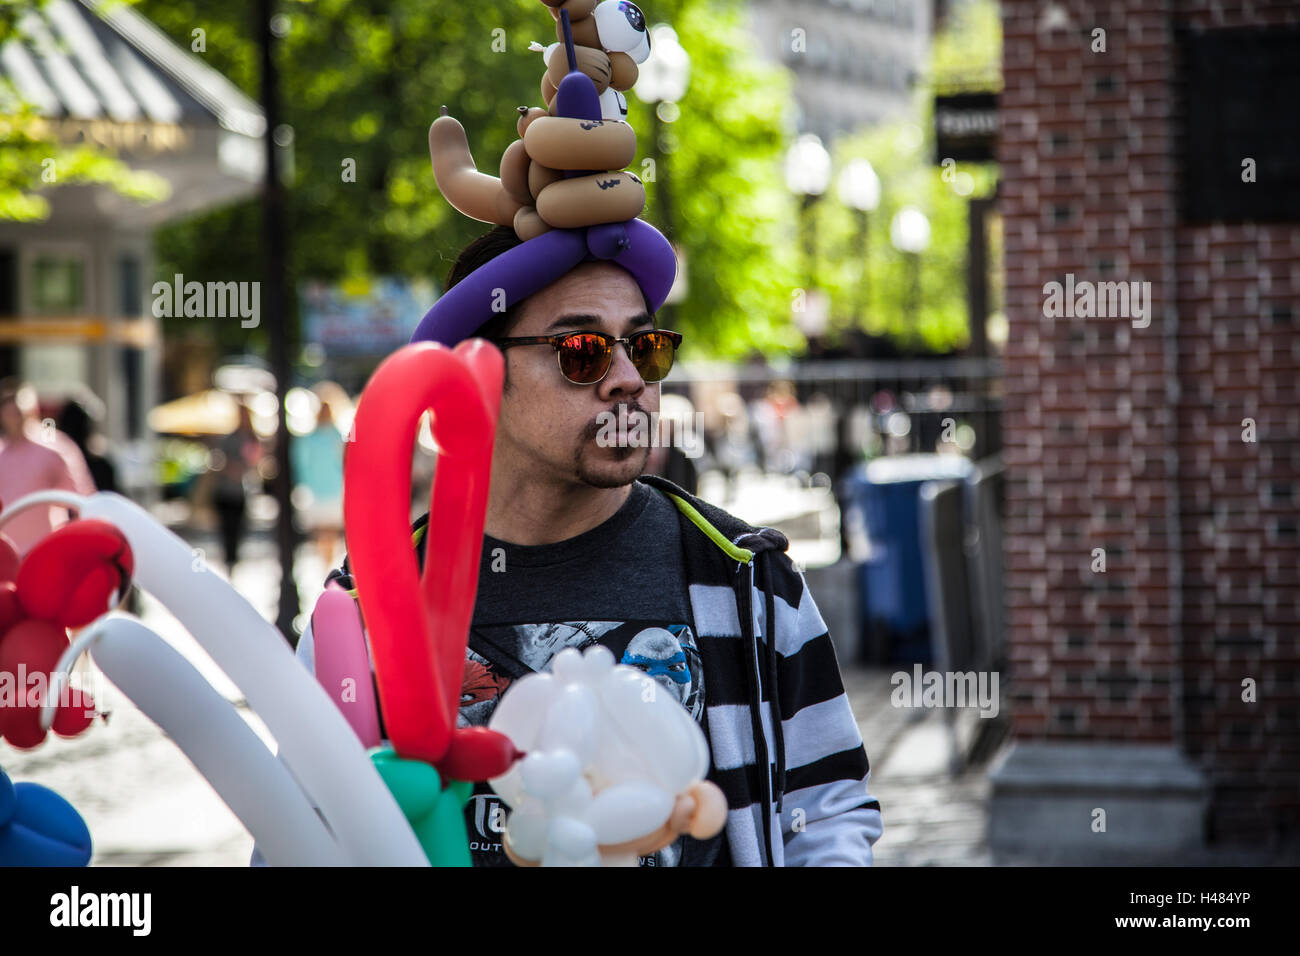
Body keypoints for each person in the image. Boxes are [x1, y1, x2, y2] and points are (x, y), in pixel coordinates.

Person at [263, 226, 883, 868]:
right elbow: (295, 838)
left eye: (644, 348)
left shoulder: (746, 577)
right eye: (581, 351)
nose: (626, 380)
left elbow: (828, 811)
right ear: (478, 376)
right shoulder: (367, 611)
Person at [0, 379, 96, 556]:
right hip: (5, 556)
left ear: (33, 410)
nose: (13, 414)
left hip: (47, 551)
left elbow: (82, 500)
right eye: (8, 407)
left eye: (18, 408)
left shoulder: (55, 449)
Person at [291, 397, 345, 568]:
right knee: (323, 531)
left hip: (330, 488)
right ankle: (325, 562)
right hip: (319, 489)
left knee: (329, 531)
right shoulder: (313, 437)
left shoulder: (335, 435)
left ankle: (328, 562)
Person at [210, 404, 261, 571]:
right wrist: (230, 468)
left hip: (241, 492)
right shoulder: (227, 439)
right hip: (225, 491)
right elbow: (217, 462)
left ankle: (233, 562)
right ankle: (228, 562)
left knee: (238, 529)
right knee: (226, 529)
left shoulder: (252, 439)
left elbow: (255, 463)